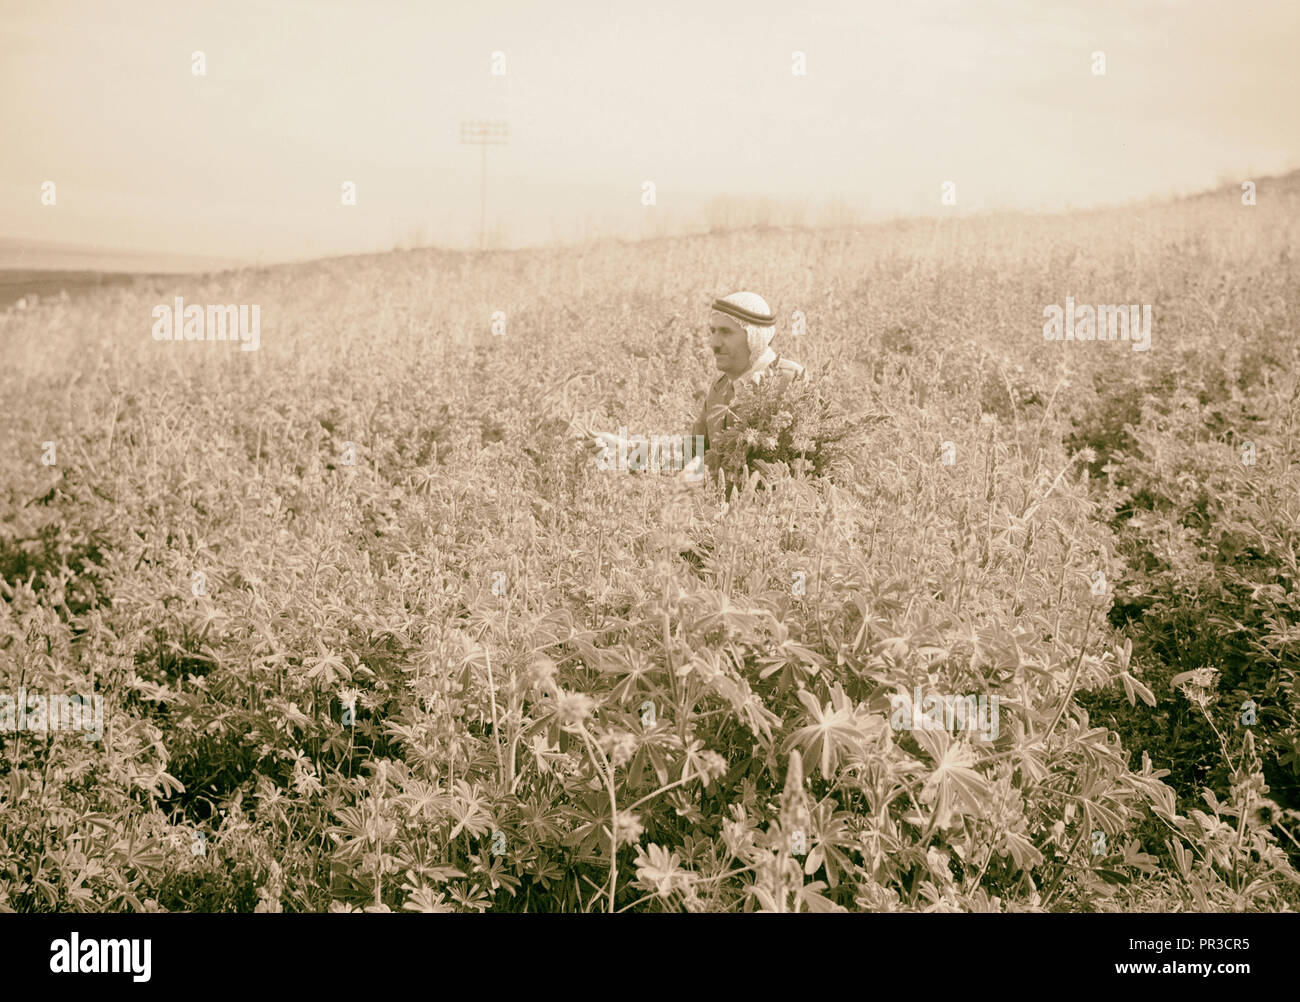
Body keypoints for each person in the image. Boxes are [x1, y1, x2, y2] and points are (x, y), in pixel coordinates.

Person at [585, 291, 807, 482]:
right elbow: (694, 452)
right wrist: (623, 450)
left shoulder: (789, 380)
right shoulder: (721, 388)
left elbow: (810, 466)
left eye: (726, 332)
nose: (714, 343)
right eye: (713, 331)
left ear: (755, 337)